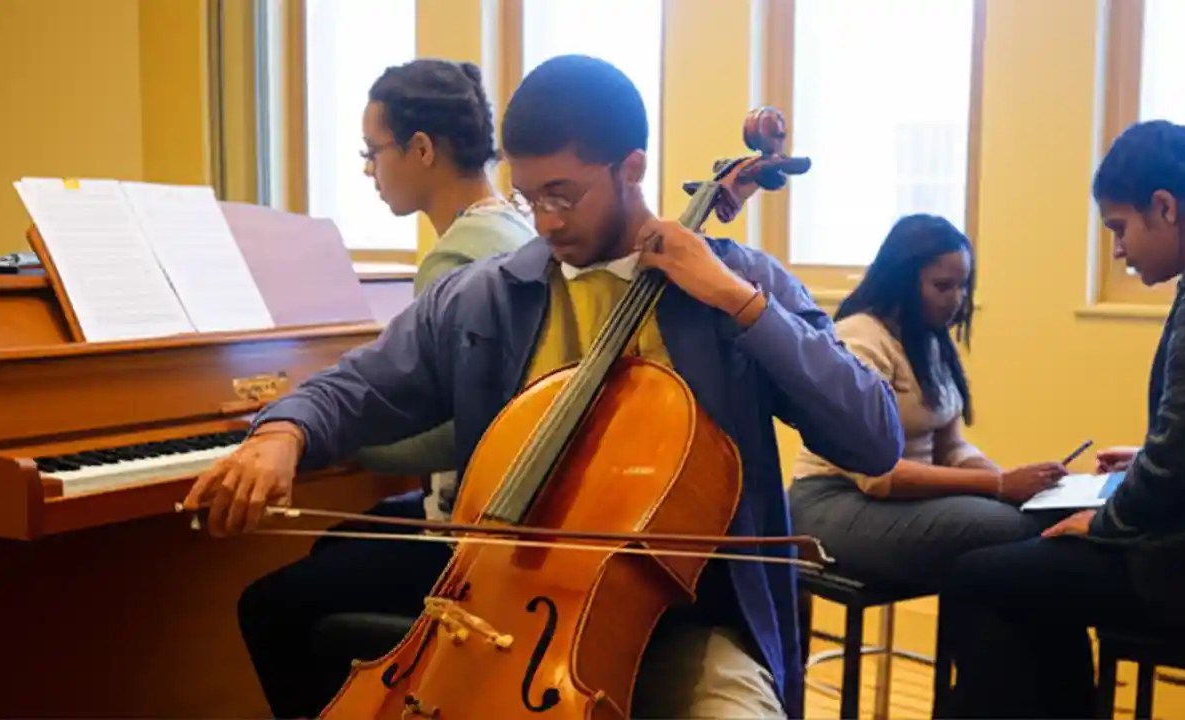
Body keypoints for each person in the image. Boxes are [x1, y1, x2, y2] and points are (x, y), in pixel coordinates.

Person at [184, 54, 905, 719]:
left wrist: (742, 305)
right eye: (531, 199)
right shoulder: (485, 296)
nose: (547, 222)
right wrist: (283, 433)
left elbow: (872, 438)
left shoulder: (736, 285)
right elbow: (357, 387)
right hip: (512, 622)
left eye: (564, 195)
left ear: (631, 168)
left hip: (688, 620)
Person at [938, 119, 1185, 718]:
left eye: (1119, 228)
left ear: (1165, 207)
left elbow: (1175, 472)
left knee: (979, 577)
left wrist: (1104, 522)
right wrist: (1143, 461)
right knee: (1029, 567)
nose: (1118, 249)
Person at [232, 58, 533, 720]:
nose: (369, 170)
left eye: (374, 152)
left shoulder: (459, 259)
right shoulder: (513, 225)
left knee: (269, 604)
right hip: (483, 522)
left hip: (467, 534)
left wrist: (338, 444)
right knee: (333, 544)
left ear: (422, 149)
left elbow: (455, 425)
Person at [788, 213, 1067, 591]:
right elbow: (879, 476)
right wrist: (997, 484)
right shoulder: (858, 339)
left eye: (963, 286)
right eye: (943, 286)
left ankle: (969, 648)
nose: (957, 300)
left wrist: (1017, 483)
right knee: (1015, 527)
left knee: (1023, 522)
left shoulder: (928, 340)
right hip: (832, 501)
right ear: (902, 282)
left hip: (902, 502)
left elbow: (950, 446)